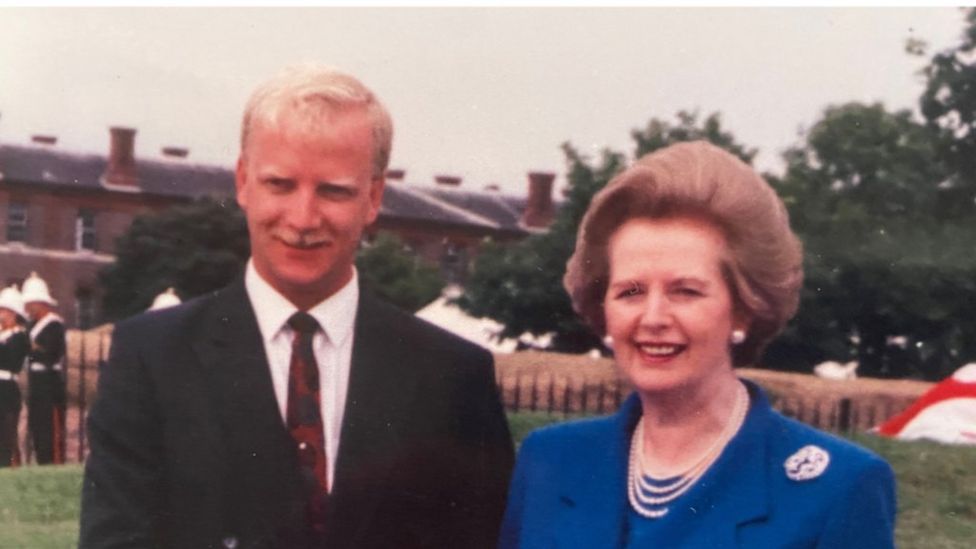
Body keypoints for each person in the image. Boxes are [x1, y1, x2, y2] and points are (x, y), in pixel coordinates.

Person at [80, 63, 514, 549]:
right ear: (243, 182)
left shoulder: (453, 375)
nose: (303, 218)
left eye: (333, 190)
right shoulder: (152, 358)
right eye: (280, 185)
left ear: (373, 197)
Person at [499, 142, 896, 548]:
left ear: (744, 308)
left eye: (685, 291)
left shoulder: (837, 488)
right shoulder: (550, 459)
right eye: (630, 292)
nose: (653, 318)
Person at [22, 272, 67, 465]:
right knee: (37, 426)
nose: (26, 309)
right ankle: (41, 460)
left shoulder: (54, 325)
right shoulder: (32, 325)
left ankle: (52, 461)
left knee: (50, 427)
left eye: (29, 304)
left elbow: (50, 353)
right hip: (36, 381)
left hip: (49, 381)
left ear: (39, 303)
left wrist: (28, 347)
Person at [0, 284, 29, 467]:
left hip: (6, 387)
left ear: (13, 313)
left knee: (5, 432)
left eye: (3, 309)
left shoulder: (19, 337)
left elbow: (11, 359)